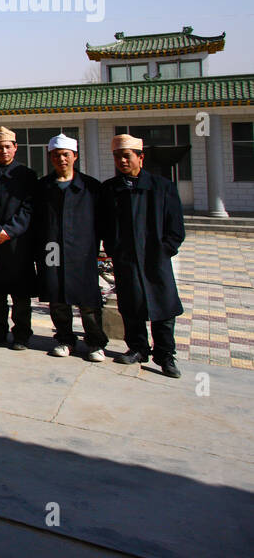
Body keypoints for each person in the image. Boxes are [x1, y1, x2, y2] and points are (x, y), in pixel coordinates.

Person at [102, 133, 185, 378]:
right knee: (130, 304)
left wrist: (165, 249)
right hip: (126, 258)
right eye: (117, 157)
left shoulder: (162, 187)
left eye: (127, 156)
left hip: (155, 258)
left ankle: (165, 356)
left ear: (141, 157)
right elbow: (105, 224)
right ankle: (137, 348)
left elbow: (176, 226)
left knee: (164, 307)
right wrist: (113, 248)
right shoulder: (111, 189)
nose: (122, 161)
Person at [34, 134, 109, 361]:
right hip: (52, 250)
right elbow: (36, 221)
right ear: (50, 157)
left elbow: (102, 221)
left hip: (82, 251)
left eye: (65, 155)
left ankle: (95, 342)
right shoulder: (43, 187)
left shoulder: (91, 187)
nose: (61, 159)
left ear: (74, 156)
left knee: (87, 300)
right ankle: (65, 339)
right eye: (56, 155)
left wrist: (104, 249)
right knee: (57, 298)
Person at [0, 126, 38, 349]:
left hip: (19, 243)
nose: (4, 151)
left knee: (21, 294)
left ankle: (21, 334)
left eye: (7, 147)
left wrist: (10, 231)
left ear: (15, 148)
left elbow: (29, 208)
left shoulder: (27, 176)